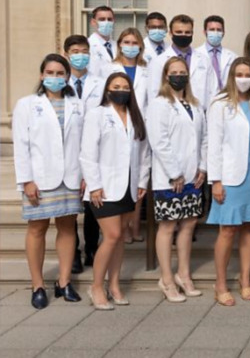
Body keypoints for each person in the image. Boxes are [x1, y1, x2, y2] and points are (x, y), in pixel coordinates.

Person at [13, 54, 85, 309]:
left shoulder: (77, 104)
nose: (55, 78)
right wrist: (26, 180)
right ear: (42, 75)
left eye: (60, 73)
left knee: (68, 228)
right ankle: (38, 285)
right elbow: (21, 145)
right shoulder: (27, 104)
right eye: (50, 73)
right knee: (37, 229)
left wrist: (86, 175)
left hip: (71, 177)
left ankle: (64, 282)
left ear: (67, 77)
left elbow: (84, 143)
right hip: (40, 178)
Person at [80, 72, 149, 310]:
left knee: (120, 238)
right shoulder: (97, 114)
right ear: (108, 89)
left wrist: (142, 181)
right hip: (105, 188)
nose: (121, 90)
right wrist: (95, 185)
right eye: (116, 86)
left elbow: (144, 153)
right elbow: (88, 153)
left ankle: (115, 285)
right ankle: (96, 286)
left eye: (125, 87)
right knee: (110, 237)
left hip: (129, 188)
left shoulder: (135, 116)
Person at [206, 58, 250, 306]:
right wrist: (216, 181)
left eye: (248, 74)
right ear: (232, 77)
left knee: (248, 230)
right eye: (239, 74)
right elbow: (214, 145)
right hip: (230, 176)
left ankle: (245, 280)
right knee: (227, 230)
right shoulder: (220, 105)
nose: (244, 78)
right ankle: (220, 283)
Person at [145, 56, 207, 303]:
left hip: (193, 175)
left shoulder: (195, 103)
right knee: (168, 226)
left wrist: (202, 167)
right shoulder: (159, 104)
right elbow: (159, 141)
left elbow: (204, 137)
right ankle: (167, 279)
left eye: (183, 71)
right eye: (175, 71)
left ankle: (184, 274)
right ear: (166, 75)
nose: (179, 75)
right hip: (171, 178)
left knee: (189, 223)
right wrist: (175, 173)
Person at [104, 28, 150, 244]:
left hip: (140, 126)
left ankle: (134, 227)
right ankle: (119, 228)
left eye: (135, 42)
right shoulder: (109, 68)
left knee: (138, 175)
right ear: (119, 44)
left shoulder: (147, 69)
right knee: (121, 175)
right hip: (115, 124)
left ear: (141, 46)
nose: (130, 46)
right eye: (126, 42)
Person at [64, 35, 104, 272]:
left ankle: (91, 247)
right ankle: (74, 252)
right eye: (76, 50)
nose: (81, 55)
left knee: (92, 205)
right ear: (67, 53)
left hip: (94, 151)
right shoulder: (59, 83)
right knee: (71, 209)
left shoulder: (100, 83)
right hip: (68, 153)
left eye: (84, 50)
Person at [148, 14, 211, 110]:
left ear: (192, 33)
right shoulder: (158, 62)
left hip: (199, 114)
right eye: (179, 32)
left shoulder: (204, 60)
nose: (183, 35)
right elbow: (154, 94)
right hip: (170, 115)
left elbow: (212, 92)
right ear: (170, 33)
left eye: (187, 32)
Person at [198, 15, 237, 102]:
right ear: (205, 32)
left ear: (223, 33)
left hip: (227, 101)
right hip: (204, 103)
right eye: (212, 30)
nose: (215, 33)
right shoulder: (196, 55)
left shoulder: (232, 57)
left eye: (219, 30)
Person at [87, 5, 117, 76]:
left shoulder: (118, 46)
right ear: (93, 22)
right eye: (102, 19)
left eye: (109, 19)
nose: (106, 22)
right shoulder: (87, 45)